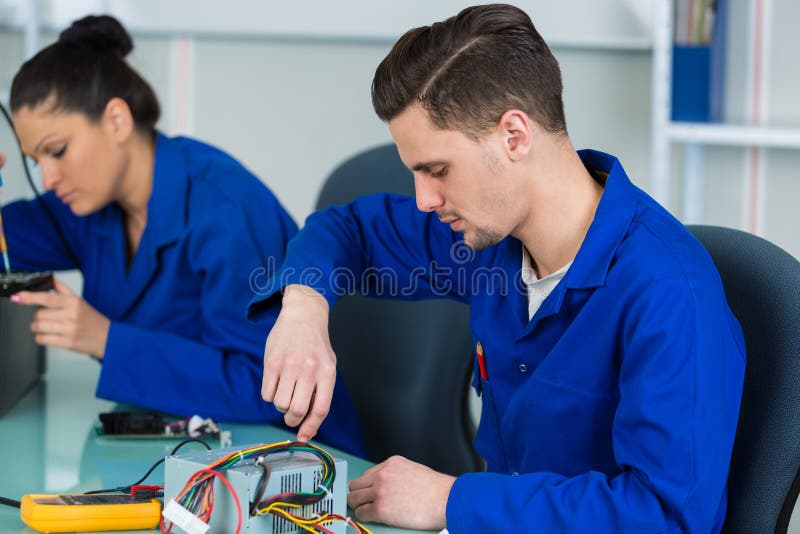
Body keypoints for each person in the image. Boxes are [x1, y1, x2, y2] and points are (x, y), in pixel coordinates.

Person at [247, 3, 746, 532]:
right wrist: (303, 308)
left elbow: (665, 516)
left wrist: (451, 501)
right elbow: (346, 229)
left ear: (514, 135)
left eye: (437, 170)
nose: (423, 199)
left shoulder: (668, 293)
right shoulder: (489, 241)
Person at [0, 15, 364, 456]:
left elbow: (265, 387)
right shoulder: (84, 206)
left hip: (290, 461)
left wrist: (103, 338)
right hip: (174, 450)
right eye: (35, 160)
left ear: (116, 120)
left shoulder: (225, 212)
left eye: (57, 151)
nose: (49, 176)